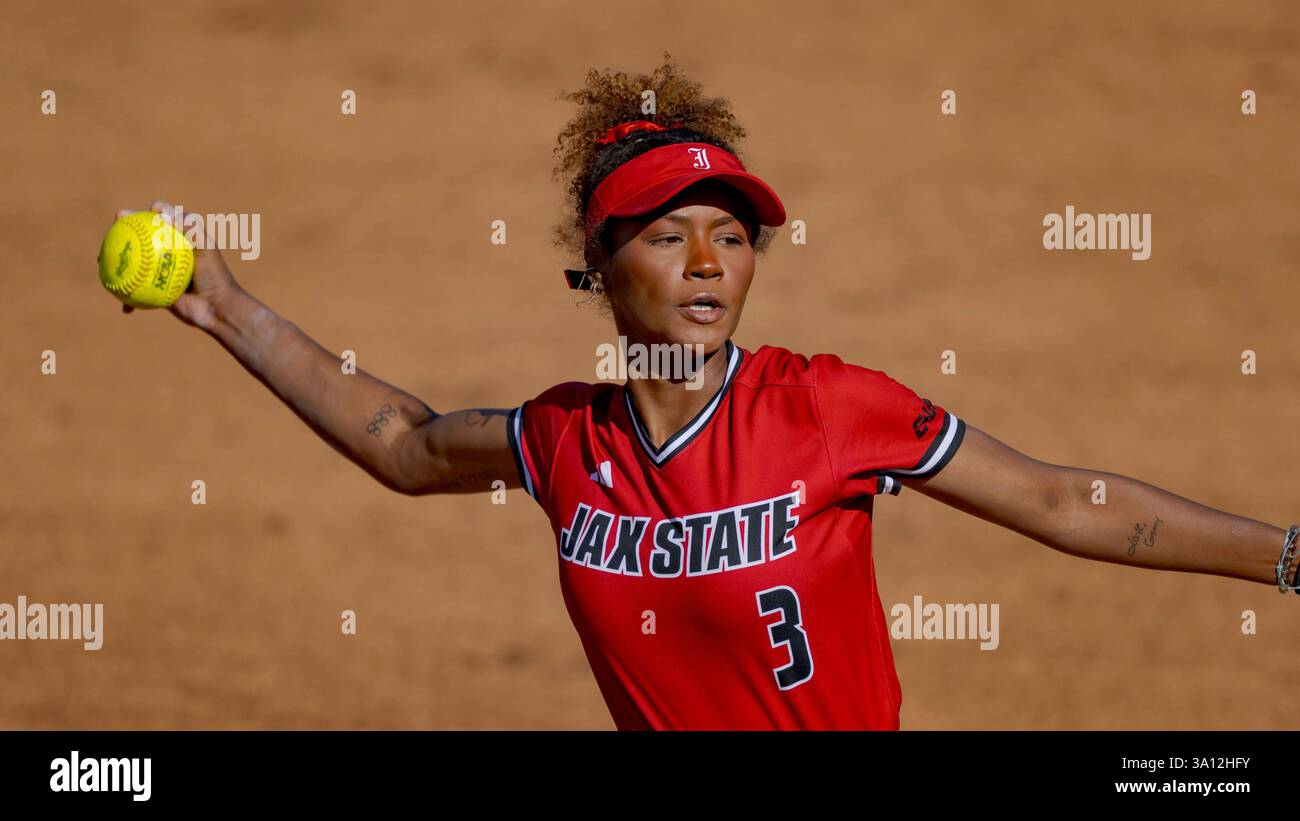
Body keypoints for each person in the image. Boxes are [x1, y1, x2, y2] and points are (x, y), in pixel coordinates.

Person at [115, 57, 1300, 730]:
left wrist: (1287, 557)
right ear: (600, 262)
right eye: (669, 234)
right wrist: (226, 307)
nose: (704, 263)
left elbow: (1057, 499)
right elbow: (408, 442)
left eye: (729, 237)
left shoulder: (827, 407)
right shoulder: (563, 438)